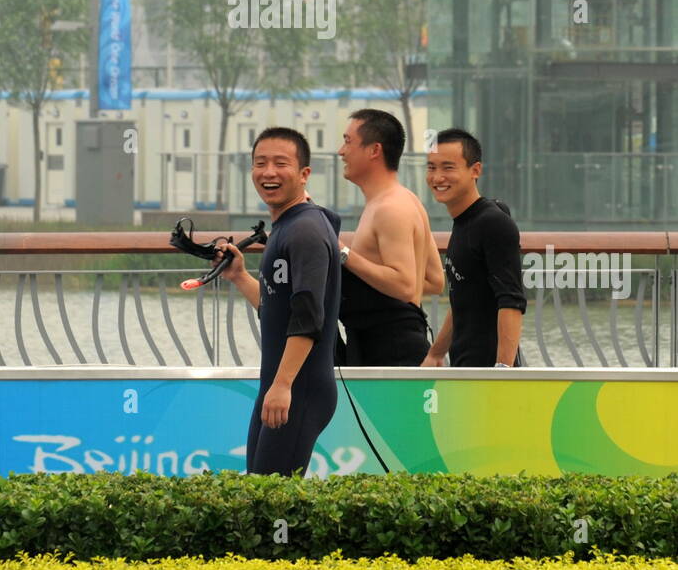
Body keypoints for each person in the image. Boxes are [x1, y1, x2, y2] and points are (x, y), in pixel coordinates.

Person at [214, 126, 340, 476]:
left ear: (304, 175)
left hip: (298, 389)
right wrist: (239, 276)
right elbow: (277, 309)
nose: (268, 172)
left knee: (271, 504)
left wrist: (283, 385)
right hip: (281, 385)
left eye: (280, 163)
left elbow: (308, 316)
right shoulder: (288, 226)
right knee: (262, 493)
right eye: (260, 163)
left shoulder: (305, 231)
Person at [336, 109, 444, 366]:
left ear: (374, 150)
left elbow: (404, 285)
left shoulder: (390, 208)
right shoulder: (406, 199)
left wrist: (342, 252)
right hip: (396, 340)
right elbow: (433, 280)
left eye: (348, 141)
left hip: (391, 349)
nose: (341, 151)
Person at [422, 127, 526, 368]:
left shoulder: (492, 223)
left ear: (475, 170)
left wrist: (502, 372)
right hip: (466, 368)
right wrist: (436, 353)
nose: (437, 177)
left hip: (487, 373)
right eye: (431, 167)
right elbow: (464, 299)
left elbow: (511, 301)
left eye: (448, 167)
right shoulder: (464, 222)